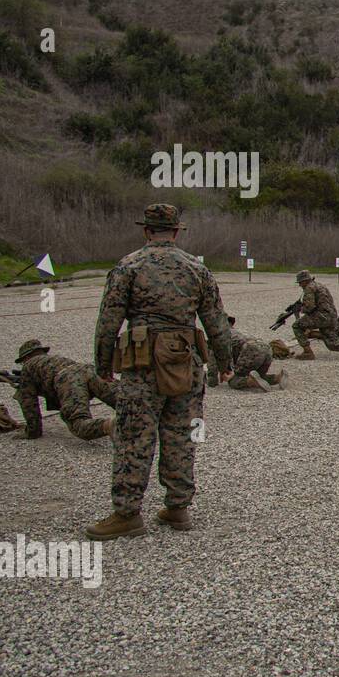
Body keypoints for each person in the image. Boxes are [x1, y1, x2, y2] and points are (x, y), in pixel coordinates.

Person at [88, 203, 233, 540]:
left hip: (142, 365)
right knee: (182, 435)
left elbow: (108, 322)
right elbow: (216, 322)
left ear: (146, 230)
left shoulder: (128, 266)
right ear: (177, 231)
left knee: (133, 436)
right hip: (186, 363)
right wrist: (225, 364)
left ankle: (127, 513)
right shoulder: (197, 269)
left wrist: (102, 364)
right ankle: (178, 507)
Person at [13, 339, 116, 440]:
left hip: (68, 379)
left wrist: (32, 432)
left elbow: (29, 403)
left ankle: (110, 425)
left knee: (78, 423)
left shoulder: (28, 366)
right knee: (122, 401)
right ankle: (130, 421)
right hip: (88, 370)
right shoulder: (54, 360)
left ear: (26, 357)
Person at [292, 270, 339, 359]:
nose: (300, 285)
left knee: (296, 326)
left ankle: (308, 352)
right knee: (333, 344)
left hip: (322, 317)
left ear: (305, 281)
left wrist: (299, 310)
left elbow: (309, 307)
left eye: (300, 282)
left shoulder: (309, 288)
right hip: (331, 316)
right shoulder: (320, 285)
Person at [212, 316, 285, 391]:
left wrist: (212, 382)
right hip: (267, 348)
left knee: (235, 379)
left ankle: (251, 382)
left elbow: (213, 360)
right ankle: (277, 378)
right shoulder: (237, 332)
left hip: (252, 349)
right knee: (259, 376)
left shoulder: (218, 336)